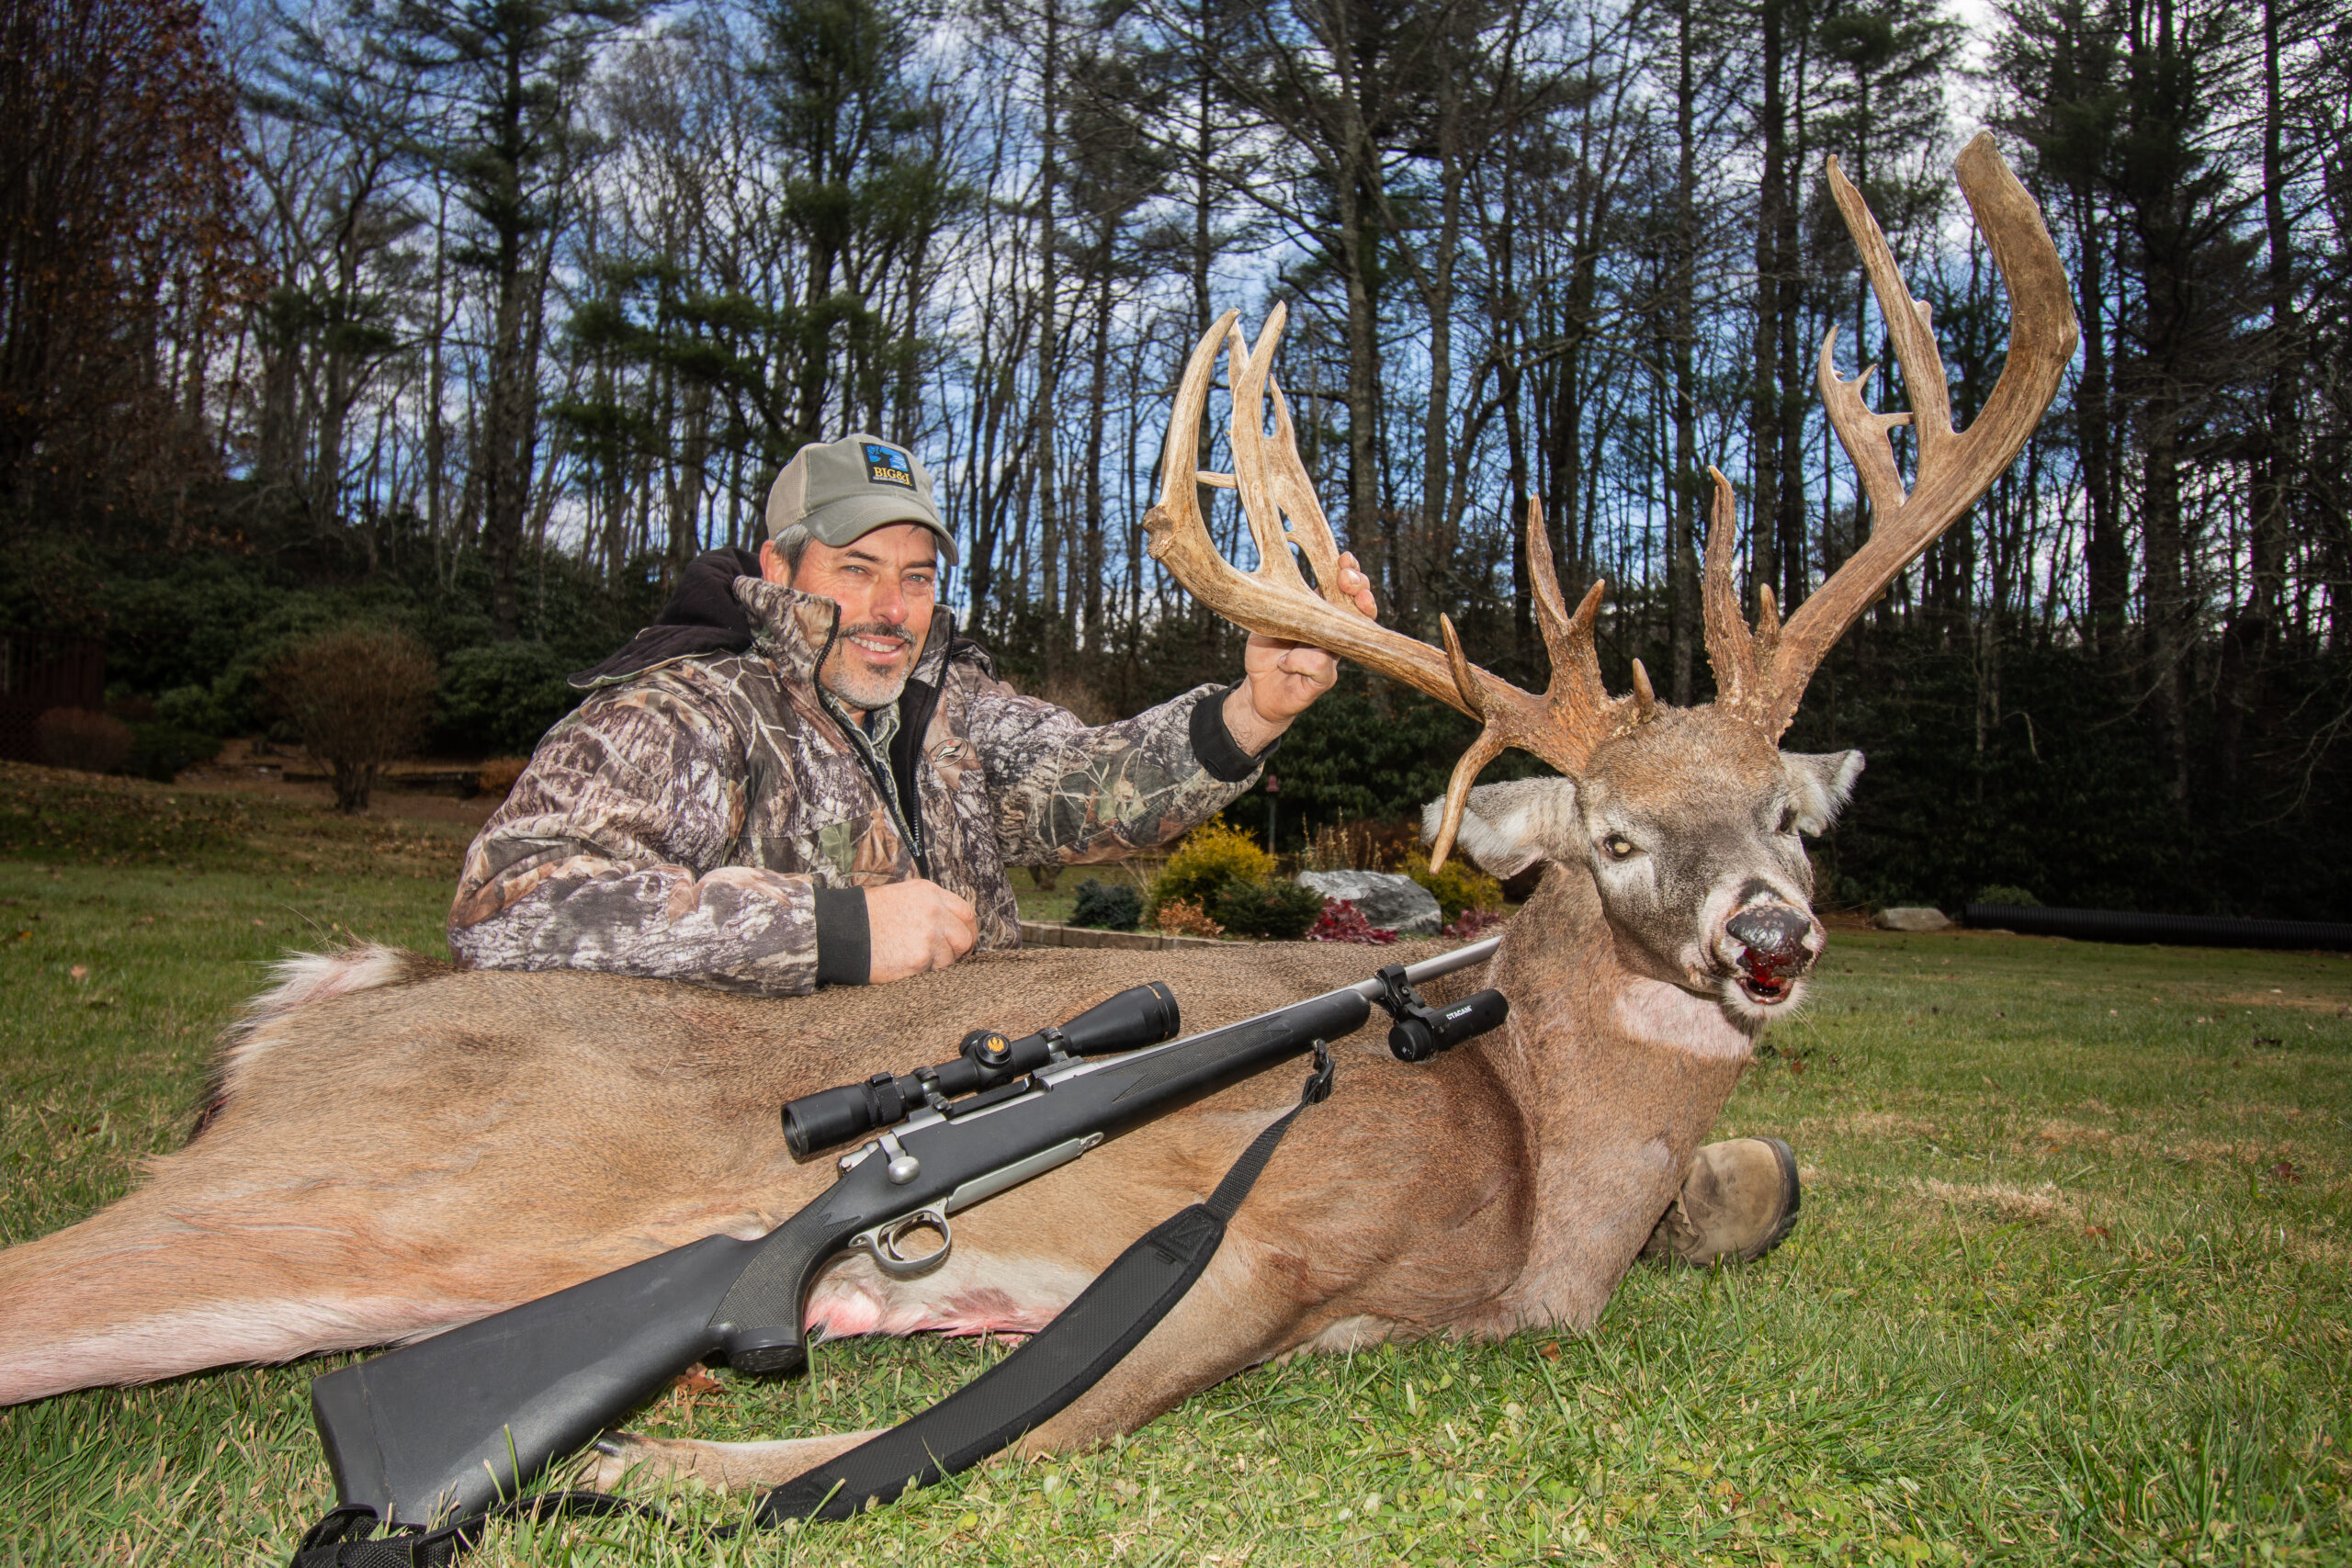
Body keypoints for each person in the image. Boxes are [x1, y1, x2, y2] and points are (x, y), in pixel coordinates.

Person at [447, 432, 1375, 993]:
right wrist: (834, 932)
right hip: (749, 1127)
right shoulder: (685, 715)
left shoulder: (945, 707)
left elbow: (1082, 789)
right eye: (856, 570)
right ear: (778, 569)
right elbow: (508, 910)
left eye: (917, 576)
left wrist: (1256, 707)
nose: (893, 608)